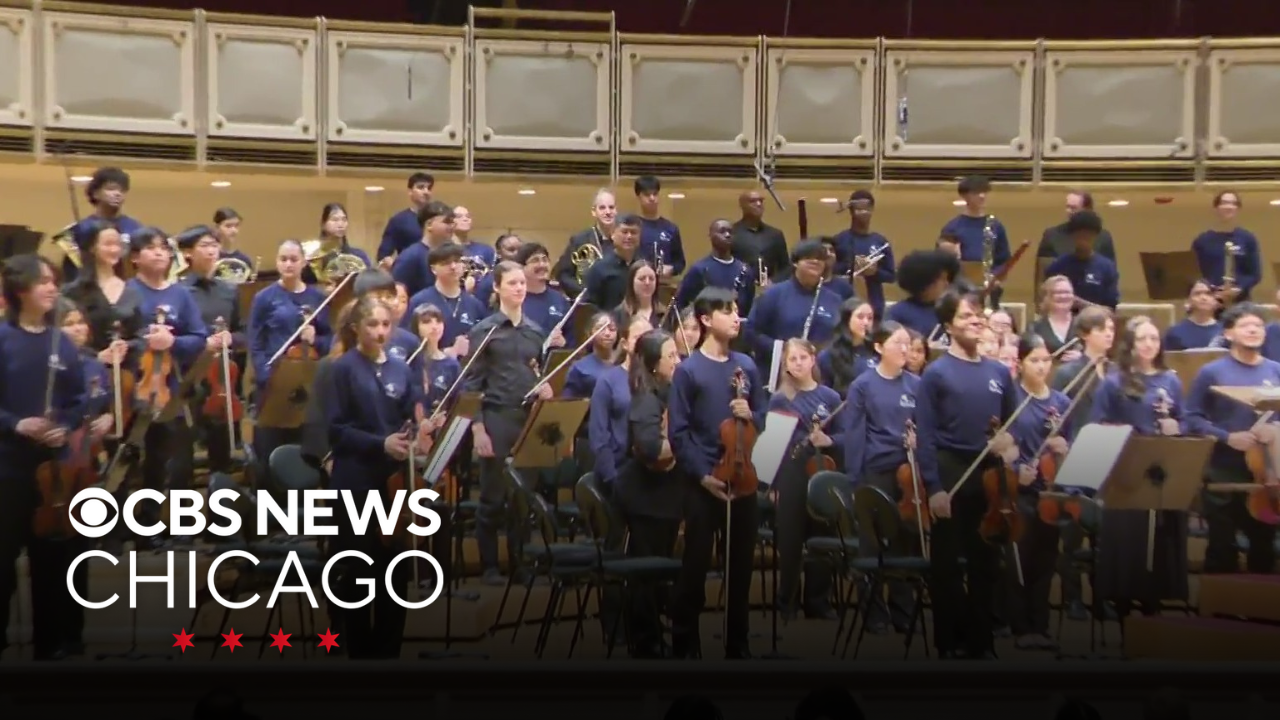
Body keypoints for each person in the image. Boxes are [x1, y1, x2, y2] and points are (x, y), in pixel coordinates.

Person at [914, 287, 1019, 659]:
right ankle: (949, 642)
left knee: (986, 563)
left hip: (989, 476)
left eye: (978, 315)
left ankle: (981, 641)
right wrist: (934, 487)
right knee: (946, 565)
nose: (975, 321)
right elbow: (924, 435)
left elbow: (1012, 424)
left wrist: (1008, 446)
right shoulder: (936, 374)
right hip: (950, 470)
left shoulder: (998, 373)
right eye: (965, 316)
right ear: (948, 326)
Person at [325, 295, 429, 659]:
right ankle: (357, 653)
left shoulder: (401, 368)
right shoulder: (343, 368)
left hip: (393, 481)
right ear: (356, 329)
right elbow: (335, 430)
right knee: (357, 569)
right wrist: (381, 443)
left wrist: (417, 430)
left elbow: (408, 415)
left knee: (393, 570)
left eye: (386, 325)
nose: (381, 331)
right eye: (373, 325)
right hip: (355, 479)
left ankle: (388, 654)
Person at [668, 287, 767, 658]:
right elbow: (678, 432)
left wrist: (751, 415)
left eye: (738, 310)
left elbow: (766, 417)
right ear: (707, 320)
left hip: (743, 479)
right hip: (703, 481)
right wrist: (702, 475)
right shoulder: (688, 371)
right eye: (728, 312)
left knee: (740, 571)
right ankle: (685, 646)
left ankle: (737, 645)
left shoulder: (747, 366)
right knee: (694, 567)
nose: (737, 317)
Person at [0, 254, 88, 661]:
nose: (54, 288)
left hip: (54, 469)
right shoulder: (2, 339)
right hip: (8, 468)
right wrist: (17, 424)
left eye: (55, 281)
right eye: (44, 282)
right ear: (20, 290)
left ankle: (53, 646)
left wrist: (64, 425)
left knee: (54, 562)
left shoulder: (61, 343)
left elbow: (77, 398)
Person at [1089, 316, 1189, 629]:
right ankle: (1121, 601)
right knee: (1126, 538)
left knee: (1159, 535)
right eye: (1143, 339)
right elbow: (1096, 424)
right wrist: (1124, 431)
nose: (1149, 344)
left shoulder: (1170, 380)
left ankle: (1153, 600)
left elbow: (1185, 420)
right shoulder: (1114, 381)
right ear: (1130, 345)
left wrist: (1178, 426)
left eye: (1154, 339)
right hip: (1126, 467)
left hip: (1161, 469)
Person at [463, 260, 554, 586]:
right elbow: (471, 385)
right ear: (497, 288)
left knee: (523, 498)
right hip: (496, 416)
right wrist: (477, 428)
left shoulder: (535, 331)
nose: (519, 287)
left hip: (527, 419)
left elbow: (538, 372)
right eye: (512, 283)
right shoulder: (483, 331)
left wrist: (545, 387)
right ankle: (489, 566)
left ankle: (520, 565)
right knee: (493, 497)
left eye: (521, 283)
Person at [1184, 302, 1280, 574]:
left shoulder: (1275, 370)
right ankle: (1219, 612)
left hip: (1266, 473)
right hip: (1224, 469)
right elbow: (1191, 419)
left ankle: (1260, 612)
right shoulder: (1211, 372)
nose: (1254, 330)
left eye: (1259, 326)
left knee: (1264, 547)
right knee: (1221, 547)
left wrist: (1274, 429)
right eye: (1246, 325)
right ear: (1228, 333)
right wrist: (1227, 437)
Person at [843, 321, 921, 634]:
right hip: (874, 471)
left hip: (907, 474)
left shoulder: (917, 385)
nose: (905, 349)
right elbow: (855, 435)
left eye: (908, 343)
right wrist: (855, 480)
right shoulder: (862, 385)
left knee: (903, 542)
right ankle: (874, 613)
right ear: (878, 347)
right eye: (898, 343)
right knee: (871, 544)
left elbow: (926, 427)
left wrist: (919, 439)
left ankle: (904, 612)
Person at [614, 329, 685, 657]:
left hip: (664, 496)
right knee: (645, 573)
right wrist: (685, 443)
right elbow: (651, 447)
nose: (678, 360)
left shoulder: (670, 393)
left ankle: (658, 636)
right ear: (655, 365)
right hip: (644, 496)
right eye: (671, 356)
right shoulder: (646, 398)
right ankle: (645, 642)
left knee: (660, 572)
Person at [127, 229, 208, 512]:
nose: (160, 252)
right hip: (130, 386)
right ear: (135, 257)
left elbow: (199, 337)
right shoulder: (126, 292)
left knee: (159, 459)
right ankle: (118, 530)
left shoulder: (180, 294)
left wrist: (172, 342)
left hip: (167, 388)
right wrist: (143, 341)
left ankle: (149, 526)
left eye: (164, 247)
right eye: (151, 248)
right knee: (126, 459)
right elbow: (114, 340)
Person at [1003, 333, 1072, 651]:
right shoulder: (1011, 399)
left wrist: (1064, 447)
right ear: (1020, 363)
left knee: (1046, 562)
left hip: (1050, 492)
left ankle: (1040, 625)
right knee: (1021, 559)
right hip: (1020, 491)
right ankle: (1019, 626)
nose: (1042, 366)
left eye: (1046, 360)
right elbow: (1001, 445)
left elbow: (1069, 449)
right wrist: (1018, 471)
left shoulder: (1061, 402)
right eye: (1035, 360)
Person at [248, 239, 333, 492]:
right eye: (283, 259)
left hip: (308, 383)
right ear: (277, 261)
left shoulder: (317, 297)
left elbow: (331, 340)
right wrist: (267, 375)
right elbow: (255, 341)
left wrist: (314, 338)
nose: (288, 264)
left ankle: (305, 517)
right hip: (274, 381)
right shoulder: (264, 297)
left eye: (294, 259)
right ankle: (269, 519)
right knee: (270, 447)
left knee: (306, 448)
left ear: (303, 263)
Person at [767, 338, 843, 621]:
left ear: (813, 359)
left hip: (822, 471)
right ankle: (787, 602)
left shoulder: (831, 398)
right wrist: (772, 486)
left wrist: (830, 439)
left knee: (822, 538)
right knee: (790, 541)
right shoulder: (780, 398)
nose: (797, 363)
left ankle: (819, 602)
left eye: (802, 357)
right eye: (792, 359)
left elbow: (846, 437)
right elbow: (772, 447)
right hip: (791, 473)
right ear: (785, 365)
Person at [1050, 305, 1114, 621]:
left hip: (1109, 452)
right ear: (1086, 334)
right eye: (1104, 330)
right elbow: (1056, 415)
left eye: (1112, 330)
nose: (1110, 335)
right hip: (1080, 452)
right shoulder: (1068, 372)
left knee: (1106, 535)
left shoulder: (1114, 372)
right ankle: (1072, 598)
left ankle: (1104, 597)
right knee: (1073, 534)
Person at [176, 225, 246, 481]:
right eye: (204, 245)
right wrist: (201, 343)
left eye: (214, 245)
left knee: (222, 455)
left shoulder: (229, 290)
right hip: (189, 379)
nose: (211, 250)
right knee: (182, 458)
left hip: (223, 380)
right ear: (188, 253)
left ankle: (222, 512)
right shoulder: (178, 291)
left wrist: (232, 338)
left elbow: (243, 331)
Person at [747, 240, 842, 370]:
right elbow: (752, 332)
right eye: (808, 257)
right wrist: (784, 349)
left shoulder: (834, 300)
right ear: (795, 262)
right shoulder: (773, 295)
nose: (815, 261)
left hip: (822, 375)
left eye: (820, 258)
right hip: (781, 372)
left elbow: (839, 338)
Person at [403, 243, 487, 358]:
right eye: (446, 263)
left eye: (457, 261)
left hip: (467, 372)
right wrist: (447, 352)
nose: (453, 266)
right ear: (433, 269)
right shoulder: (419, 301)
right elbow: (407, 344)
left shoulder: (475, 305)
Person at [63, 167, 145, 283]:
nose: (117, 194)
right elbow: (71, 272)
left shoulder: (136, 227)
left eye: (122, 190)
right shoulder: (80, 229)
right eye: (111, 189)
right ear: (95, 193)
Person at [832, 189, 896, 320]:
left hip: (874, 305)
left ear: (872, 210)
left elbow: (891, 276)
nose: (863, 213)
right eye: (858, 209)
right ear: (851, 211)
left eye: (867, 209)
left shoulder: (880, 241)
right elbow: (830, 270)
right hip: (846, 304)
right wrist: (851, 267)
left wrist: (874, 271)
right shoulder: (840, 240)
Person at [675, 219, 757, 320]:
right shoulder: (699, 269)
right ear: (711, 235)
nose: (727, 235)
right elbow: (682, 303)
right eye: (722, 231)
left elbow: (749, 307)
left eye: (730, 232)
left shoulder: (745, 270)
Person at [1191, 190, 1261, 305]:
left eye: (1234, 203)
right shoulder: (1202, 240)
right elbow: (1196, 273)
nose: (1229, 207)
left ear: (1238, 209)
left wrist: (1237, 289)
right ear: (1216, 208)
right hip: (1210, 300)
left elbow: (1255, 274)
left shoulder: (1247, 238)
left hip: (1240, 301)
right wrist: (1213, 291)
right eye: (1224, 203)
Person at [1042, 210, 1120, 310]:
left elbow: (1110, 310)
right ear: (1072, 236)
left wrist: (1080, 303)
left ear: (1096, 236)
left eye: (1087, 236)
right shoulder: (1058, 266)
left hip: (1096, 323)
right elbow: (1046, 303)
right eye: (1079, 236)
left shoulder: (1107, 268)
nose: (1083, 240)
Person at [885, 249, 961, 340]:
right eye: (942, 279)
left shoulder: (951, 309)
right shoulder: (897, 313)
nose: (947, 284)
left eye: (947, 279)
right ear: (926, 282)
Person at [554, 188, 616, 298]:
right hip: (588, 305)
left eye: (611, 207)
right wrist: (584, 293)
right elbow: (563, 274)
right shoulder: (579, 240)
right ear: (594, 212)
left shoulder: (623, 240)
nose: (608, 212)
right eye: (602, 208)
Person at [1036, 190, 1118, 267]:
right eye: (1067, 207)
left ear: (1087, 209)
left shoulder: (1103, 237)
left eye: (1073, 208)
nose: (1069, 211)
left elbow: (1110, 270)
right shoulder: (1051, 235)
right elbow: (1043, 271)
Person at [391, 201, 455, 298]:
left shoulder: (451, 256)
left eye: (452, 222)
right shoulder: (410, 257)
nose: (451, 226)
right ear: (429, 225)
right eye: (446, 222)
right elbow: (396, 294)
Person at [583, 214, 642, 313]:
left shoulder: (644, 267)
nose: (629, 236)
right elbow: (590, 307)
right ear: (613, 234)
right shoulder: (599, 269)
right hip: (609, 326)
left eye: (634, 232)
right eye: (624, 232)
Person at [303, 204, 372, 287]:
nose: (340, 224)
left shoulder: (359, 255)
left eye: (344, 219)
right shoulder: (310, 255)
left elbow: (369, 282)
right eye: (335, 220)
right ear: (323, 224)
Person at [818, 296, 878, 392]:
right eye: (860, 317)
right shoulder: (828, 355)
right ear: (847, 319)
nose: (866, 322)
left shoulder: (877, 350)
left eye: (870, 318)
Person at [729, 190, 790, 284]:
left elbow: (785, 267)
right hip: (741, 288)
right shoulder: (731, 232)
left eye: (760, 201)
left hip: (768, 290)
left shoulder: (775, 234)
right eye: (752, 201)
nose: (758, 204)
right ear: (742, 205)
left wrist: (773, 281)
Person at [377, 172, 436, 262]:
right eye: (421, 187)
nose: (426, 192)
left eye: (429, 188)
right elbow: (383, 255)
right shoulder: (398, 220)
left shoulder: (440, 218)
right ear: (410, 191)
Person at [634, 175, 686, 277]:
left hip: (663, 285)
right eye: (647, 195)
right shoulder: (632, 227)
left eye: (655, 194)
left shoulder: (671, 228)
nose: (652, 198)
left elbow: (680, 262)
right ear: (638, 196)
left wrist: (671, 269)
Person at [1164, 280, 1224, 350]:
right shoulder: (1175, 333)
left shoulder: (1225, 331)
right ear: (1188, 300)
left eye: (1208, 294)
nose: (1203, 298)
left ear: (1215, 300)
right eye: (1197, 293)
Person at [1028, 275, 1079, 358]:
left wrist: (1083, 358)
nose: (1063, 296)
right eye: (1058, 292)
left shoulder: (1085, 325)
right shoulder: (1034, 328)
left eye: (1067, 292)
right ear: (1046, 297)